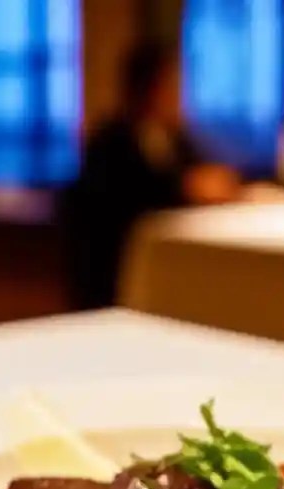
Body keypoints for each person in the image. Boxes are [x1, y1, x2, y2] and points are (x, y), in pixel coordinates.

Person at [63, 42, 240, 310]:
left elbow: (206, 176)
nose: (180, 94)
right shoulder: (111, 141)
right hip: (116, 276)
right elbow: (120, 202)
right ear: (148, 89)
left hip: (179, 269)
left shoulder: (178, 139)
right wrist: (186, 187)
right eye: (172, 84)